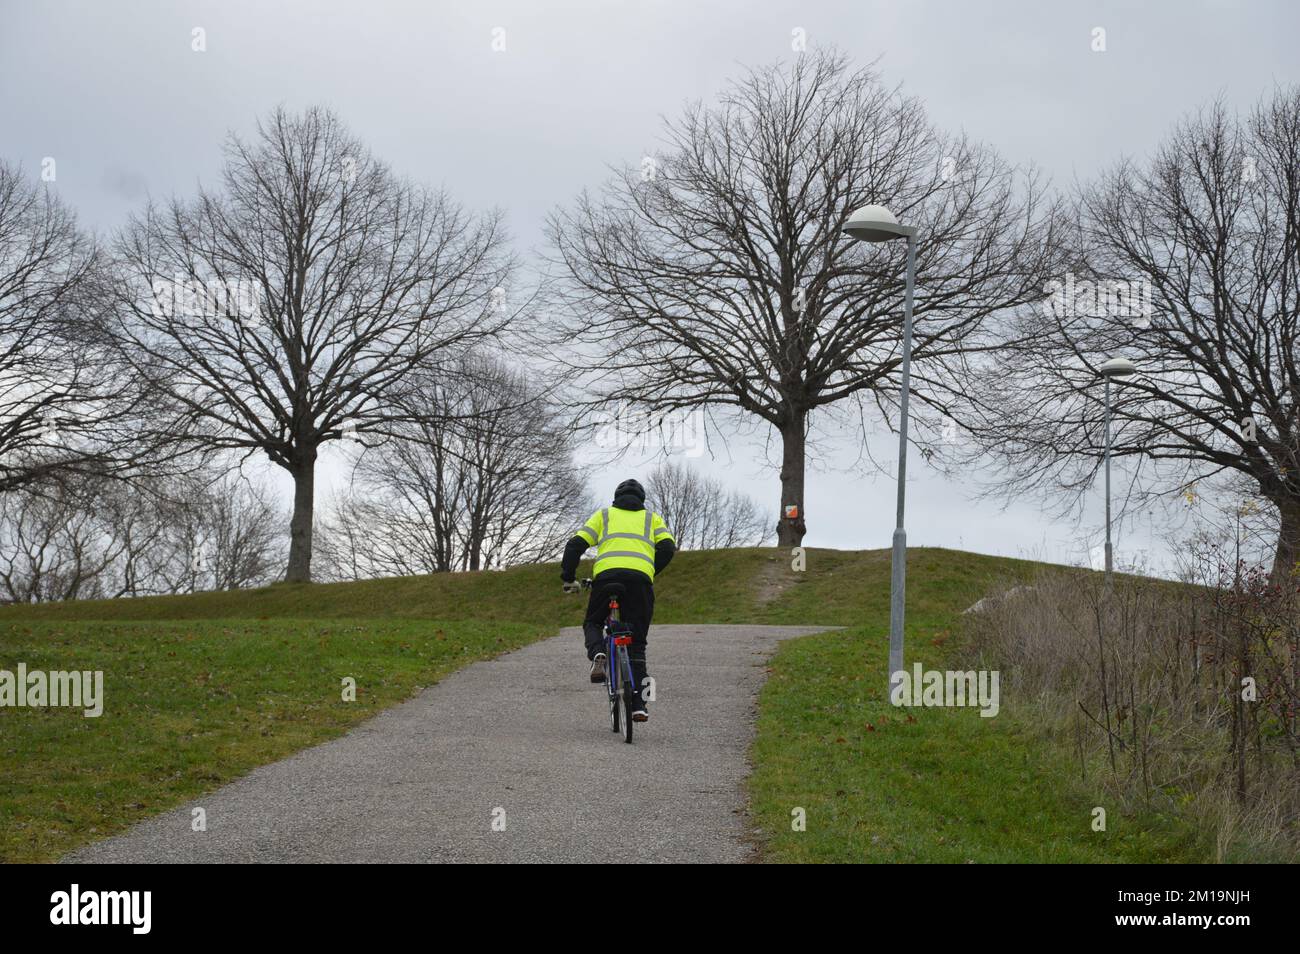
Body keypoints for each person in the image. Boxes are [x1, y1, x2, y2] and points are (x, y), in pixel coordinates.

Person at [560, 478, 675, 722]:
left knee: (592, 623)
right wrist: (649, 570)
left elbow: (574, 545)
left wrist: (568, 578)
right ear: (641, 500)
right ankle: (640, 705)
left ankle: (598, 653)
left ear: (616, 498)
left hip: (606, 578)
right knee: (638, 646)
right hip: (640, 583)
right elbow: (667, 547)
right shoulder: (651, 518)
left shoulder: (604, 515)